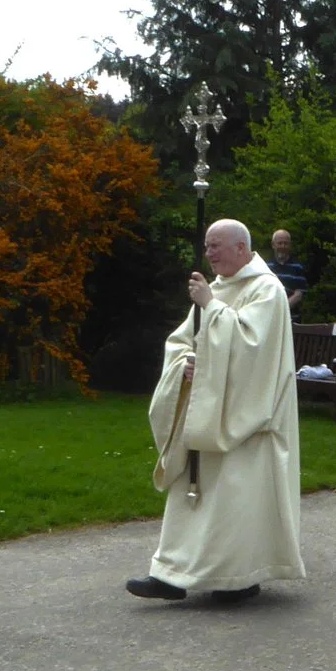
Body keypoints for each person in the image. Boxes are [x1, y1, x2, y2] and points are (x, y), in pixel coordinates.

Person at [126, 218, 306, 602]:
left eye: (216, 245)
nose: (209, 252)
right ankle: (171, 574)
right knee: (189, 493)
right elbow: (182, 341)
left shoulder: (267, 291)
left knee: (232, 502)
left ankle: (236, 578)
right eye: (207, 246)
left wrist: (210, 306)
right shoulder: (216, 290)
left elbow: (253, 350)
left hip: (247, 420)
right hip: (209, 411)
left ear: (242, 248)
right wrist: (187, 364)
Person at [267, 229, 308, 321]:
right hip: (269, 318)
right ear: (273, 245)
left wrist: (282, 308)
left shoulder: (298, 267)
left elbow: (299, 294)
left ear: (290, 245)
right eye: (280, 243)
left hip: (291, 319)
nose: (283, 246)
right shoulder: (266, 267)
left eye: (286, 243)